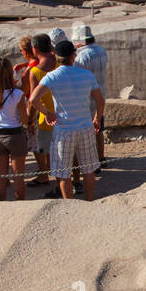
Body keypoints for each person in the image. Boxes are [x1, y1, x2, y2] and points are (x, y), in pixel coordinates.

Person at [28, 40, 105, 201]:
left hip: (63, 129)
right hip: (85, 126)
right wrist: (97, 117)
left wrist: (46, 113)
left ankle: (68, 205)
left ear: (56, 55)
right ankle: (89, 202)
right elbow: (100, 100)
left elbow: (33, 98)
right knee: (88, 170)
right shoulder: (86, 74)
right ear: (73, 56)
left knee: (63, 173)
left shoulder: (52, 76)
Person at [0, 53, 31, 201]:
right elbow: (24, 119)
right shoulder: (17, 94)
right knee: (18, 176)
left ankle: (1, 207)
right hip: (15, 134)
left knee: (1, 177)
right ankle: (19, 206)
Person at [73, 23, 108, 169]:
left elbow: (77, 78)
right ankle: (101, 157)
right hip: (100, 95)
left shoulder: (82, 56)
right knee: (98, 129)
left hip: (86, 99)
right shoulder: (101, 51)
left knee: (87, 133)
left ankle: (91, 162)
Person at [27, 33, 57, 185]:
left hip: (46, 116)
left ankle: (44, 174)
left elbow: (34, 99)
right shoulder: (59, 62)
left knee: (40, 148)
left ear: (35, 48)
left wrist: (29, 120)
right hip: (63, 113)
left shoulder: (36, 72)